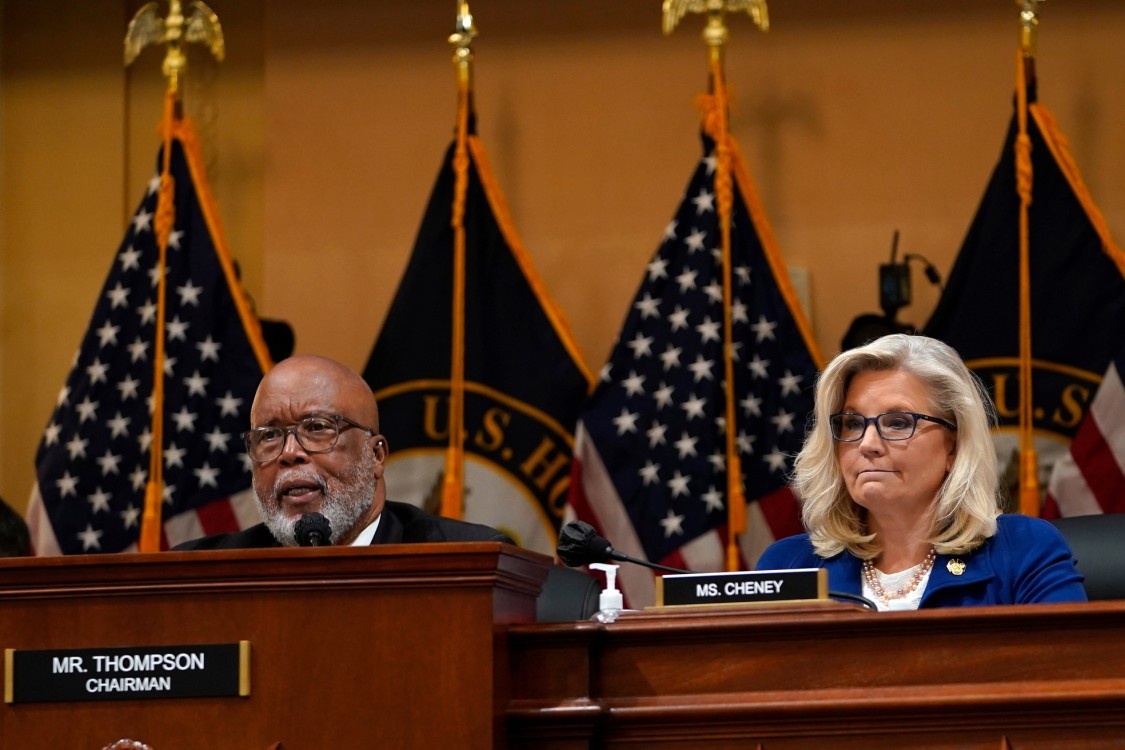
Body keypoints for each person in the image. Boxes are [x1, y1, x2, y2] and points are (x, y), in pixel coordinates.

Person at [756, 333, 1086, 610]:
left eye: (898, 422)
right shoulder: (789, 565)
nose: (868, 443)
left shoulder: (1024, 551)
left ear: (953, 447)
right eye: (853, 423)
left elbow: (1068, 674)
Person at [174, 355, 509, 549]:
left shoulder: (464, 560)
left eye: (318, 428)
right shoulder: (199, 574)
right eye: (270, 436)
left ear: (376, 456)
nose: (289, 453)